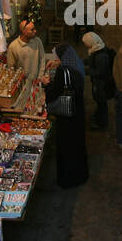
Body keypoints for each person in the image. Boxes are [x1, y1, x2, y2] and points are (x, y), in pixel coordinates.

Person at [44, 42, 89, 187]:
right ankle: (80, 174)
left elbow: (54, 93)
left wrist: (46, 84)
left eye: (57, 56)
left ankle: (68, 179)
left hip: (66, 115)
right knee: (77, 146)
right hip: (78, 111)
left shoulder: (63, 71)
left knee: (67, 147)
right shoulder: (77, 64)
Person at [81, 30, 115, 131]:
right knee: (100, 103)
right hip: (98, 83)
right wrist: (80, 62)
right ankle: (98, 118)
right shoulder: (96, 49)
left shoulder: (100, 55)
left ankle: (101, 124)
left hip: (101, 85)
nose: (86, 45)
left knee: (102, 103)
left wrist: (85, 70)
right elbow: (90, 61)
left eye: (86, 43)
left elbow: (99, 72)